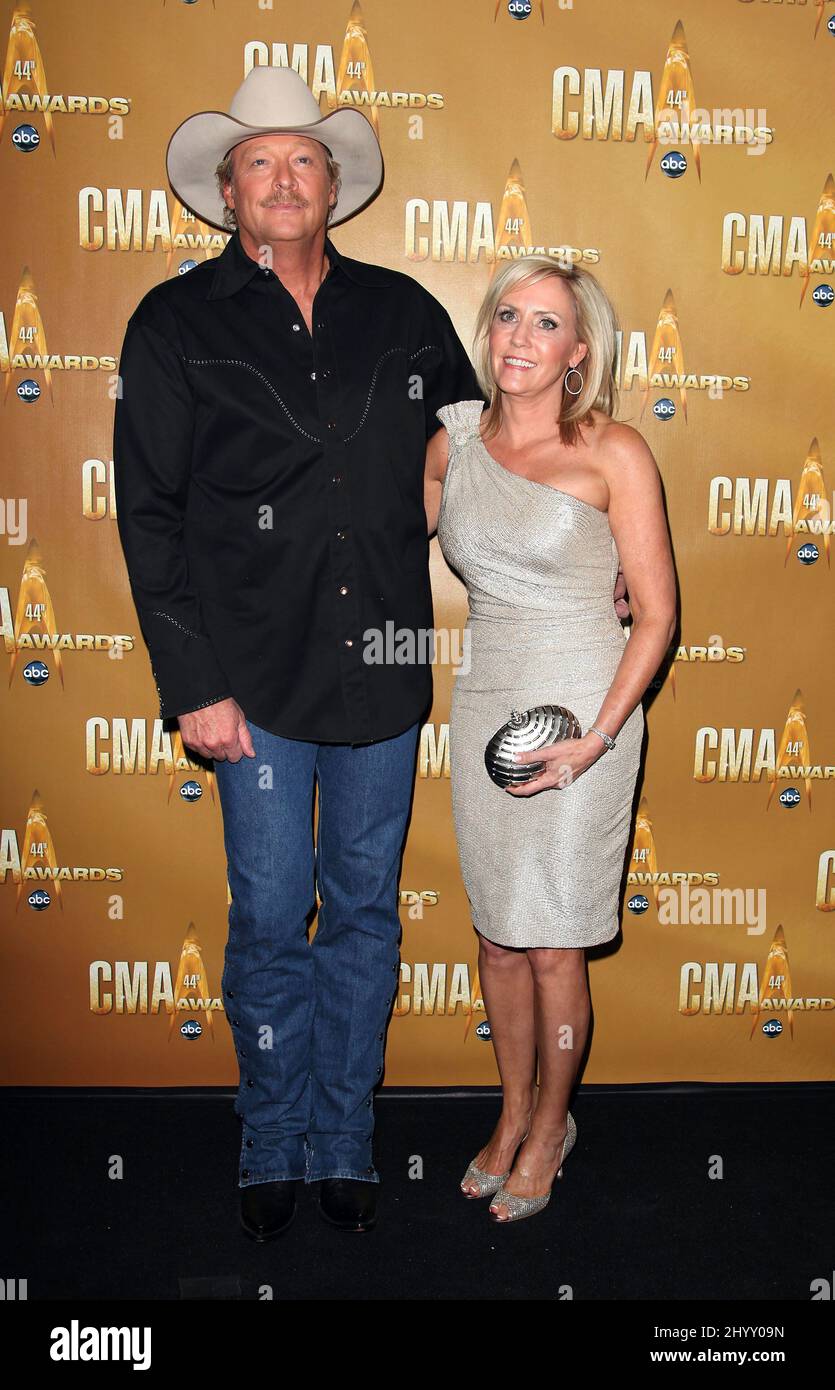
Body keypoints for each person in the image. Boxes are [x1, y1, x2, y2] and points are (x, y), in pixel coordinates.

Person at [113, 65, 631, 1243]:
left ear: (334, 184)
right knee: (266, 917)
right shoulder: (174, 324)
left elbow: (498, 447)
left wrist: (599, 541)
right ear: (226, 192)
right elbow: (148, 513)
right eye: (260, 162)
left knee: (364, 917)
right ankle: (269, 1134)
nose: (283, 178)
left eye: (304, 159)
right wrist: (193, 685)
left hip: (384, 674)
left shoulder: (404, 314)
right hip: (247, 687)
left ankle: (343, 1134)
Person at [425, 254, 676, 1222]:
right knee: (496, 939)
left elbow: (653, 615)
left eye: (546, 324)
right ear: (487, 332)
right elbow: (374, 543)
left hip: (583, 708)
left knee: (554, 945)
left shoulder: (612, 452)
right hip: (488, 697)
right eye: (508, 318)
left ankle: (550, 1126)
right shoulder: (450, 445)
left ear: (579, 352)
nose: (521, 337)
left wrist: (598, 739)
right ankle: (513, 1109)